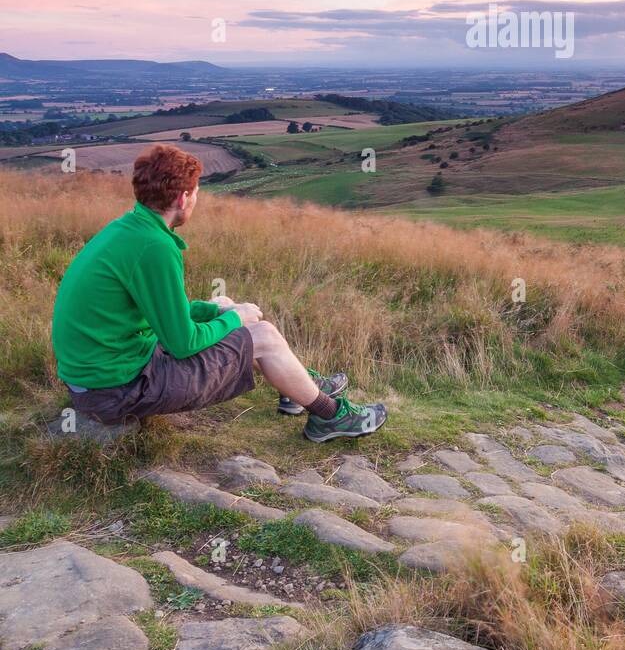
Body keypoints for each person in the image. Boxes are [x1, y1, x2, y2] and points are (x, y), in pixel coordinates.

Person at [51, 143, 386, 441]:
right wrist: (237, 318)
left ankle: (296, 387)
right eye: (196, 192)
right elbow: (181, 344)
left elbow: (160, 311)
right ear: (183, 198)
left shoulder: (130, 227)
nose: (196, 199)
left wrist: (220, 311)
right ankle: (330, 416)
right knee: (263, 335)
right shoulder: (153, 247)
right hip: (116, 390)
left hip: (102, 373)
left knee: (222, 303)